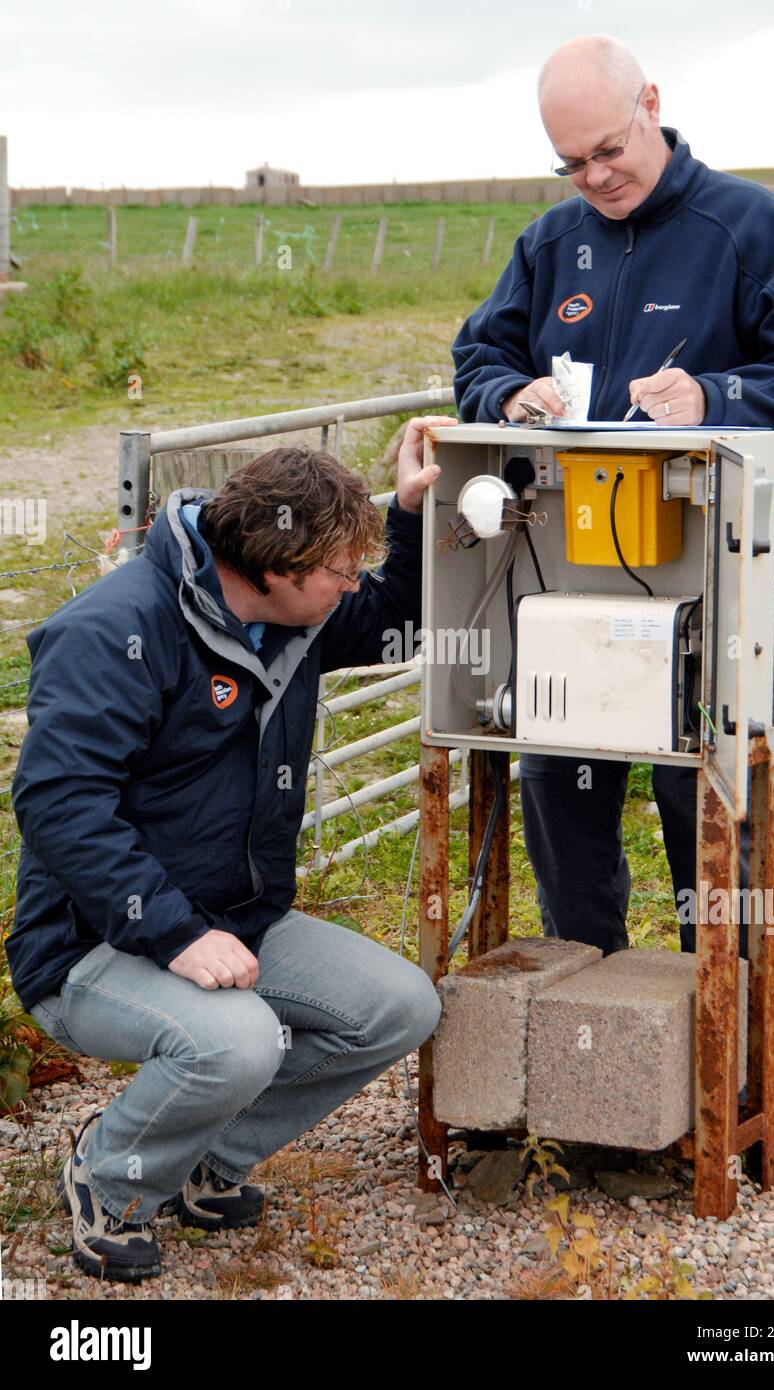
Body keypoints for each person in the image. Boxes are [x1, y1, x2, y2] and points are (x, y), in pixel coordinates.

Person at [451, 35, 774, 1149]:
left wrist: (716, 393)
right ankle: (600, 1065)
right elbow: (472, 359)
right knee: (563, 806)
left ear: (654, 108)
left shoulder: (742, 225)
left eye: (608, 149)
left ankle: (737, 1057)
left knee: (712, 821)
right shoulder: (549, 246)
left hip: (703, 596)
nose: (594, 177)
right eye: (569, 161)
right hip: (569, 590)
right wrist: (511, 391)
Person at [6, 416, 449, 1283]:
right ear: (279, 571)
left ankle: (202, 1156)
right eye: (338, 573)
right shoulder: (114, 631)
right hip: (92, 942)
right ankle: (115, 1178)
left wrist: (406, 509)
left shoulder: (297, 615)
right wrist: (175, 934)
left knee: (400, 1007)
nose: (351, 586)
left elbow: (397, 615)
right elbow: (58, 805)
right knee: (239, 1042)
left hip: (231, 919)